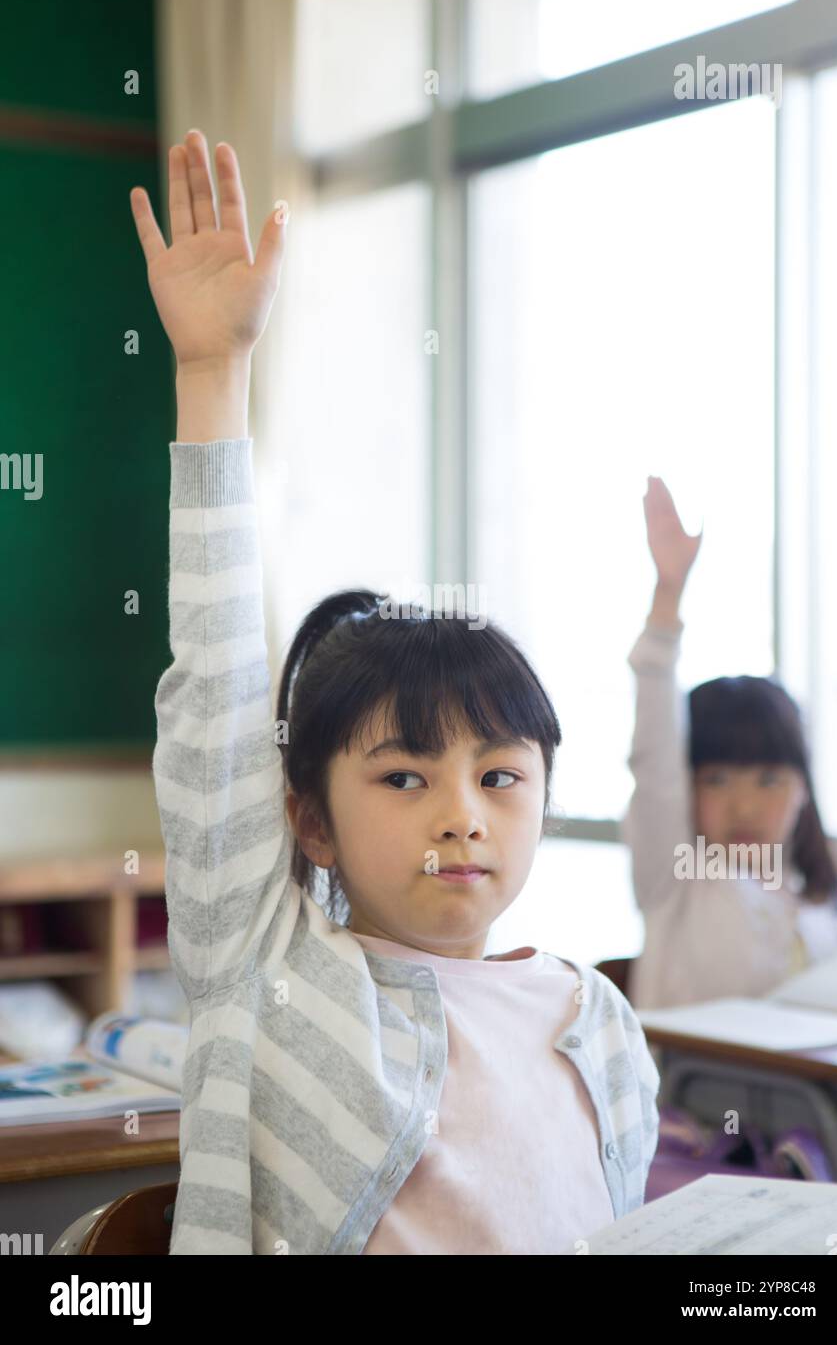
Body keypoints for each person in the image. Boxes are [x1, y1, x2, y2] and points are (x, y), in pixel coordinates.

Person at [130, 128, 660, 1255]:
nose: (461, 812)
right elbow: (216, 687)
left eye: (500, 774)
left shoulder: (595, 1021)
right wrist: (211, 372)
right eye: (404, 774)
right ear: (308, 819)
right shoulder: (269, 971)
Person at [625, 476, 837, 1011]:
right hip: (690, 1095)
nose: (745, 804)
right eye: (716, 779)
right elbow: (655, 761)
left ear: (803, 788)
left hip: (814, 1095)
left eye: (769, 779)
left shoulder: (821, 893)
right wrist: (668, 597)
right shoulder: (677, 874)